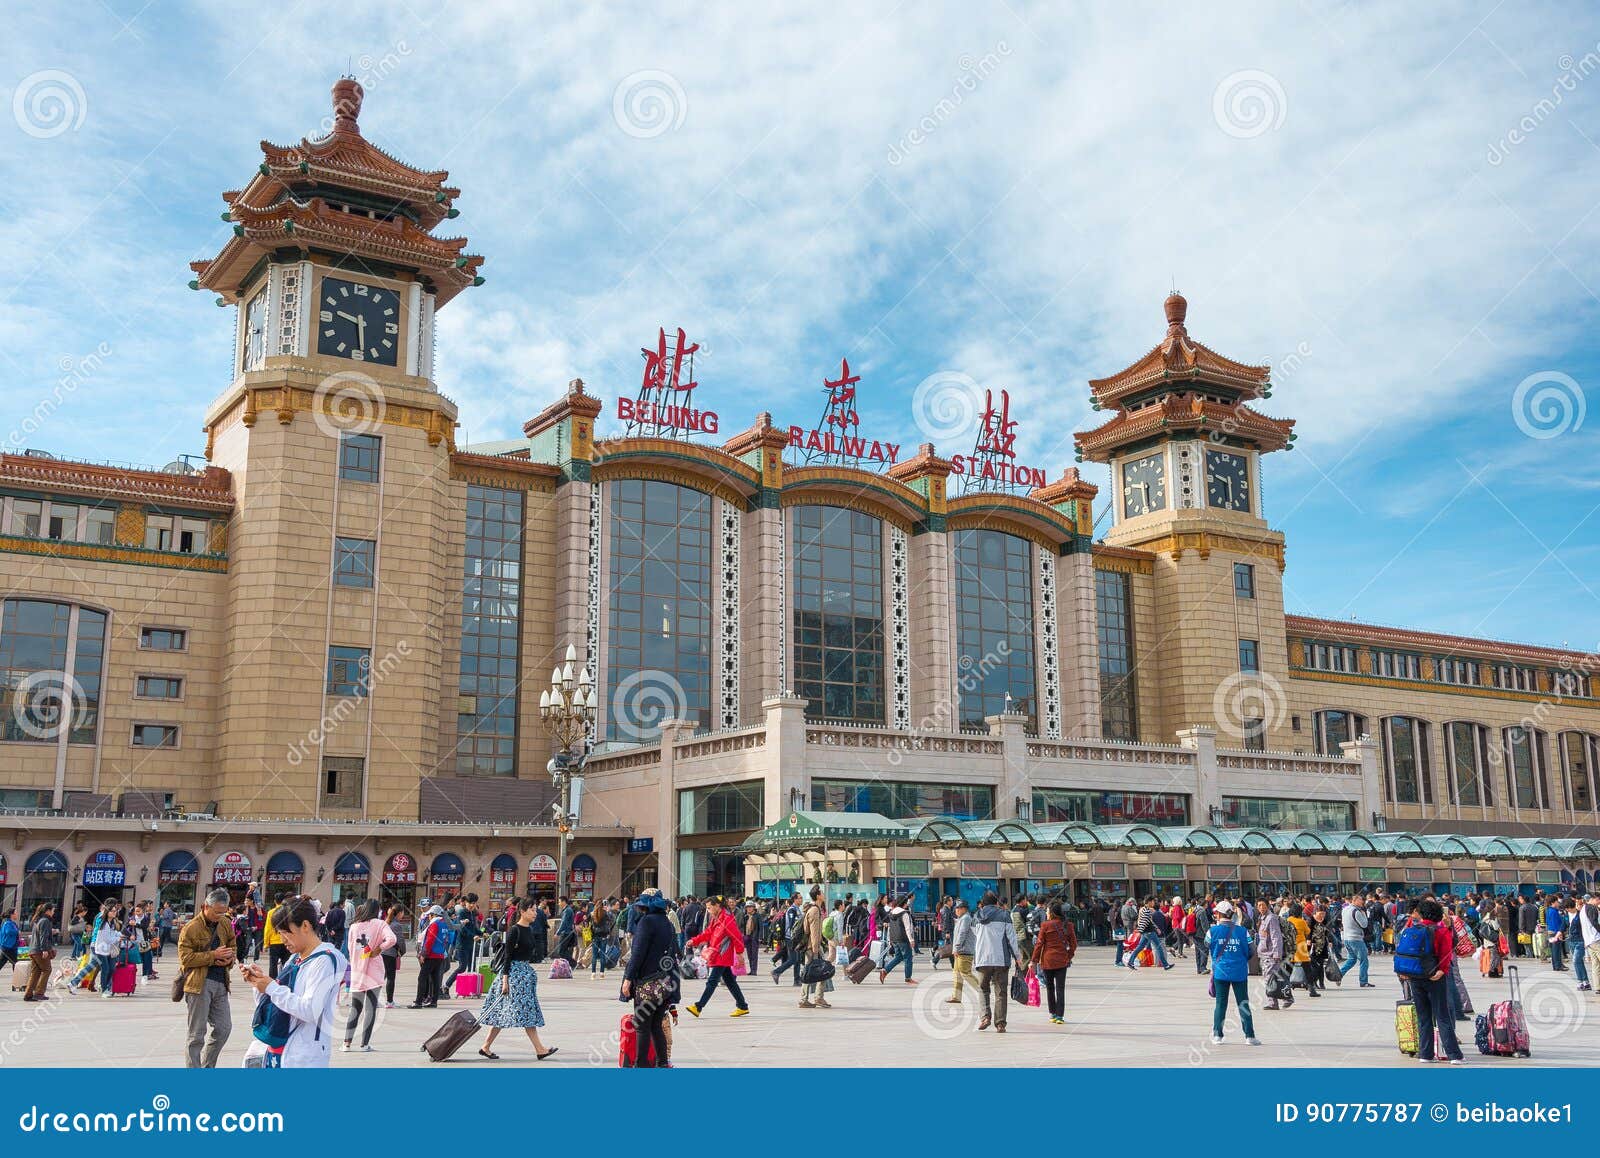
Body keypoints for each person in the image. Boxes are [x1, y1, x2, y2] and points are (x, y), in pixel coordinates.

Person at [241, 898, 346, 1068]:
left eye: (286, 933)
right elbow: (277, 1005)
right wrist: (259, 983)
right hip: (278, 1052)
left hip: (303, 1057)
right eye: (279, 934)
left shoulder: (324, 961)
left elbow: (310, 1010)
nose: (282, 940)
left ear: (305, 926)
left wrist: (271, 987)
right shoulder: (295, 958)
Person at [478, 900, 559, 1061]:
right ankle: (539, 1049)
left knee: (506, 1011)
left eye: (535, 910)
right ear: (522, 911)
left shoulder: (529, 929)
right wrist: (505, 981)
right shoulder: (515, 930)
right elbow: (507, 956)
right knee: (523, 1012)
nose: (535, 913)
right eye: (532, 910)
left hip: (524, 976)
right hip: (513, 976)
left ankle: (486, 1046)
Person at [179, 889, 238, 1067]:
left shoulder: (225, 923)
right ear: (205, 906)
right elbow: (185, 959)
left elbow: (233, 944)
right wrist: (213, 955)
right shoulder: (191, 928)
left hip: (221, 983)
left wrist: (230, 958)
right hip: (198, 985)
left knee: (224, 1028)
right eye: (217, 912)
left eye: (223, 912)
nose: (220, 916)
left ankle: (208, 1066)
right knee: (196, 1034)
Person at [1400, 898, 1464, 1064]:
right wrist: (1442, 970)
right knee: (1442, 1016)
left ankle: (1425, 1054)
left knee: (1423, 1017)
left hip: (1415, 976)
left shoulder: (1412, 929)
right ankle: (1454, 1055)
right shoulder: (1441, 931)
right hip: (1435, 977)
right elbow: (1446, 953)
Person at [621, 890, 678, 1067]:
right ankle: (662, 1063)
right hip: (665, 983)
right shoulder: (667, 923)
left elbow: (637, 954)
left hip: (647, 983)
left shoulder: (646, 922)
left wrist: (628, 978)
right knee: (656, 1025)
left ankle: (641, 1065)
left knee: (642, 1026)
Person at [341, 900, 395, 1052]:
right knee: (370, 1009)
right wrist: (379, 948)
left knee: (355, 1009)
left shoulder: (354, 926)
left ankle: (346, 1044)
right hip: (374, 972)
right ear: (377, 910)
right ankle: (364, 1044)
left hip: (358, 971)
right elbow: (392, 939)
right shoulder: (380, 924)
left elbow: (350, 948)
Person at [684, 896, 749, 1017]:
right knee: (730, 982)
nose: (708, 910)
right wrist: (694, 940)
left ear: (717, 906)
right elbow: (707, 933)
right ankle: (742, 1006)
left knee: (712, 981)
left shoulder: (727, 919)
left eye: (709, 908)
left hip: (722, 954)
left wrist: (740, 953)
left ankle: (698, 1007)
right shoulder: (716, 918)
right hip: (717, 954)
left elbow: (737, 936)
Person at [1206, 901, 1261, 1045]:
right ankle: (1250, 1036)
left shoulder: (1212, 931)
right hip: (1239, 972)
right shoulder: (1243, 931)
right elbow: (1252, 950)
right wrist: (1242, 959)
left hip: (1220, 972)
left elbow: (1206, 945)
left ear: (1219, 914)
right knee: (1243, 1003)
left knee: (1220, 1004)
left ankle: (1217, 1035)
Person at [972, 892, 1020, 1032]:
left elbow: (975, 935)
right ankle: (1000, 1024)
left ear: (983, 903)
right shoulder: (1005, 915)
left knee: (983, 989)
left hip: (982, 959)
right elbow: (1011, 938)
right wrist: (1017, 956)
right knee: (1000, 992)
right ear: (996, 902)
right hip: (1000, 959)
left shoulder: (976, 916)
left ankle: (985, 1017)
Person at [1030, 901, 1077, 1024]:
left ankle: (1053, 1013)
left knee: (1050, 988)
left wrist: (1034, 960)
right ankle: (1060, 1016)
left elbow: (1039, 944)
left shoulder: (1045, 925)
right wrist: (1069, 956)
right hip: (1062, 961)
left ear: (1051, 913)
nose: (1046, 913)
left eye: (1047, 911)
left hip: (1047, 961)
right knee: (1060, 988)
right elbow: (1073, 944)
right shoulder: (1068, 925)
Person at [408, 904, 451, 1009]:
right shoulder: (444, 925)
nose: (429, 917)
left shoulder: (434, 924)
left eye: (430, 915)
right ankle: (433, 1001)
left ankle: (418, 1001)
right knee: (435, 979)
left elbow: (429, 941)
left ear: (434, 915)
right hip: (440, 955)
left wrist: (423, 954)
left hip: (431, 955)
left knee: (422, 977)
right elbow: (447, 940)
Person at [1256, 899, 1292, 1010]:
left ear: (1267, 906)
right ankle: (1286, 998)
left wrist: (1277, 953)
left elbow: (1276, 936)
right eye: (1259, 905)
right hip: (1265, 953)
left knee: (1270, 979)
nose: (1261, 907)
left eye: (1263, 905)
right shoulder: (1262, 918)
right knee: (1275, 978)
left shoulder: (1271, 918)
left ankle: (1274, 1002)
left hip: (1270, 954)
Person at [798, 886, 830, 1010]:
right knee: (821, 971)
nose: (824, 894)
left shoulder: (813, 909)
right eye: (822, 892)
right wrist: (816, 950)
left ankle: (808, 998)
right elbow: (814, 932)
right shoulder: (815, 910)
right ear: (818, 896)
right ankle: (815, 998)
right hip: (813, 947)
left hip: (812, 946)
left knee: (810, 972)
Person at [878, 895, 918, 984]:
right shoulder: (904, 913)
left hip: (894, 938)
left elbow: (890, 927)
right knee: (908, 958)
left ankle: (885, 970)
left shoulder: (891, 912)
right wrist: (911, 940)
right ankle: (908, 978)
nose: (907, 904)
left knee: (898, 957)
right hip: (903, 939)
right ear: (904, 903)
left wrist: (890, 939)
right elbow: (907, 928)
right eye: (906, 903)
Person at [21, 904, 56, 1003]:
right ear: (48, 911)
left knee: (35, 972)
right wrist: (44, 949)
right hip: (39, 950)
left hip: (33, 950)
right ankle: (39, 993)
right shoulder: (45, 921)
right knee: (47, 969)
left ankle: (28, 994)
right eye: (53, 910)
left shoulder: (38, 920)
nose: (53, 913)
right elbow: (43, 936)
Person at [1127, 897, 1173, 970]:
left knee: (1140, 947)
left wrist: (1156, 928)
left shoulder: (1145, 909)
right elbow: (1144, 922)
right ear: (1149, 902)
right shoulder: (1146, 910)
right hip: (1149, 932)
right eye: (1153, 901)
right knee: (1159, 947)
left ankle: (1130, 962)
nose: (1154, 903)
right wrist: (1140, 931)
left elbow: (1149, 921)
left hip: (1146, 932)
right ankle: (1165, 965)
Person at [1339, 891, 1374, 986]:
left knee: (1352, 959)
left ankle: (1339, 975)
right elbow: (1364, 924)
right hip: (1356, 938)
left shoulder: (1345, 909)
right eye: (1360, 900)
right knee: (1364, 960)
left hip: (1346, 938)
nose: (1362, 902)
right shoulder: (1357, 911)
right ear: (1354, 901)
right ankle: (1363, 981)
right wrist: (1364, 914)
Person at [946, 898, 976, 1005]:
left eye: (957, 908)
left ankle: (982, 990)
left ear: (964, 909)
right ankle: (956, 996)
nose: (956, 910)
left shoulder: (966, 918)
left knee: (965, 973)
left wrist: (957, 947)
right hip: (959, 951)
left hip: (964, 951)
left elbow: (962, 934)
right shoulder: (962, 918)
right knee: (957, 975)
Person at [381, 905, 407, 1006]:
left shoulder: (385, 922)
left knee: (381, 977)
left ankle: (374, 999)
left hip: (382, 952)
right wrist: (402, 952)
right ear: (399, 913)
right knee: (391, 978)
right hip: (390, 953)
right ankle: (389, 1001)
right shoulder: (396, 925)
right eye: (403, 913)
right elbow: (400, 941)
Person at [0, 909, 19, 981]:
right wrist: (17, 932)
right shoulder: (8, 923)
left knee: (3, 962)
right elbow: (8, 931)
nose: (17, 914)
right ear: (12, 915)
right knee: (16, 965)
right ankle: (18, 981)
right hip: (9, 947)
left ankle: (17, 981)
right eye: (16, 913)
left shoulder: (11, 923)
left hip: (9, 947)